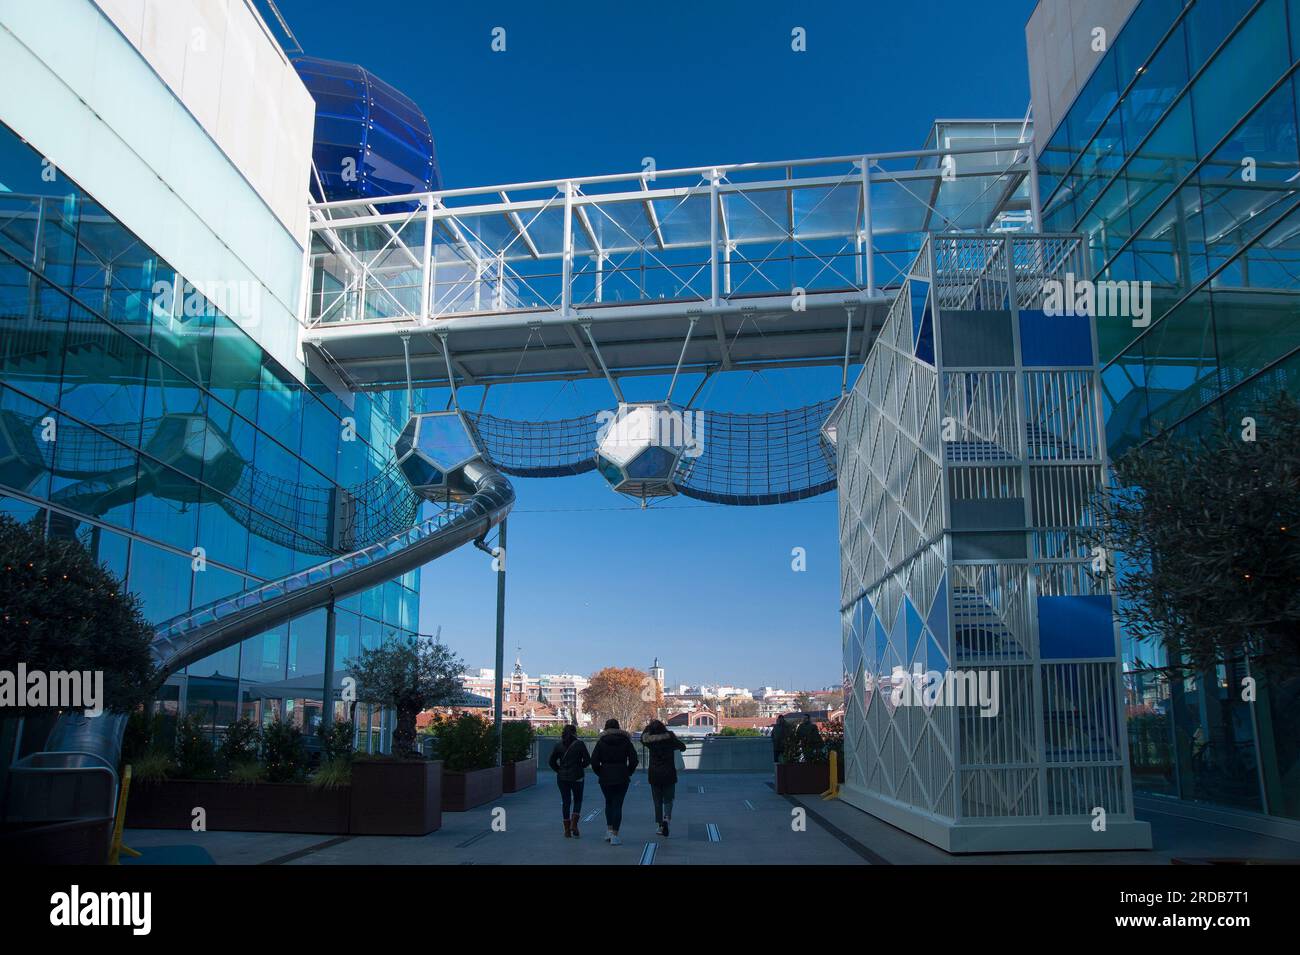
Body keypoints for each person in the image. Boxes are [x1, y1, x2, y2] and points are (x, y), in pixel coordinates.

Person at [589, 717, 638, 845]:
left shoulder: (601, 742)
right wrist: (628, 772)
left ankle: (609, 830)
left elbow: (594, 761)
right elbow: (634, 760)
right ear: (618, 727)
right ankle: (615, 835)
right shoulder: (626, 742)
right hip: (622, 776)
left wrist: (600, 772)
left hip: (605, 776)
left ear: (606, 728)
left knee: (608, 803)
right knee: (618, 805)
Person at [640, 719, 686, 837]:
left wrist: (649, 727)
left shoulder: (650, 742)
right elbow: (682, 747)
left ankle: (660, 825)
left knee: (657, 801)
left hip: (654, 774)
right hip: (669, 773)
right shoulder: (670, 738)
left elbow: (642, 738)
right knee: (668, 799)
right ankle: (667, 818)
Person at [548, 724, 590, 838]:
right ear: (575, 732)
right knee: (577, 800)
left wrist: (559, 770)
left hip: (562, 778)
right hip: (577, 777)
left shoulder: (558, 745)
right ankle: (574, 824)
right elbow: (587, 761)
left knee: (565, 802)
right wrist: (579, 766)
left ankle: (567, 830)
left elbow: (551, 762)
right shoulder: (579, 744)